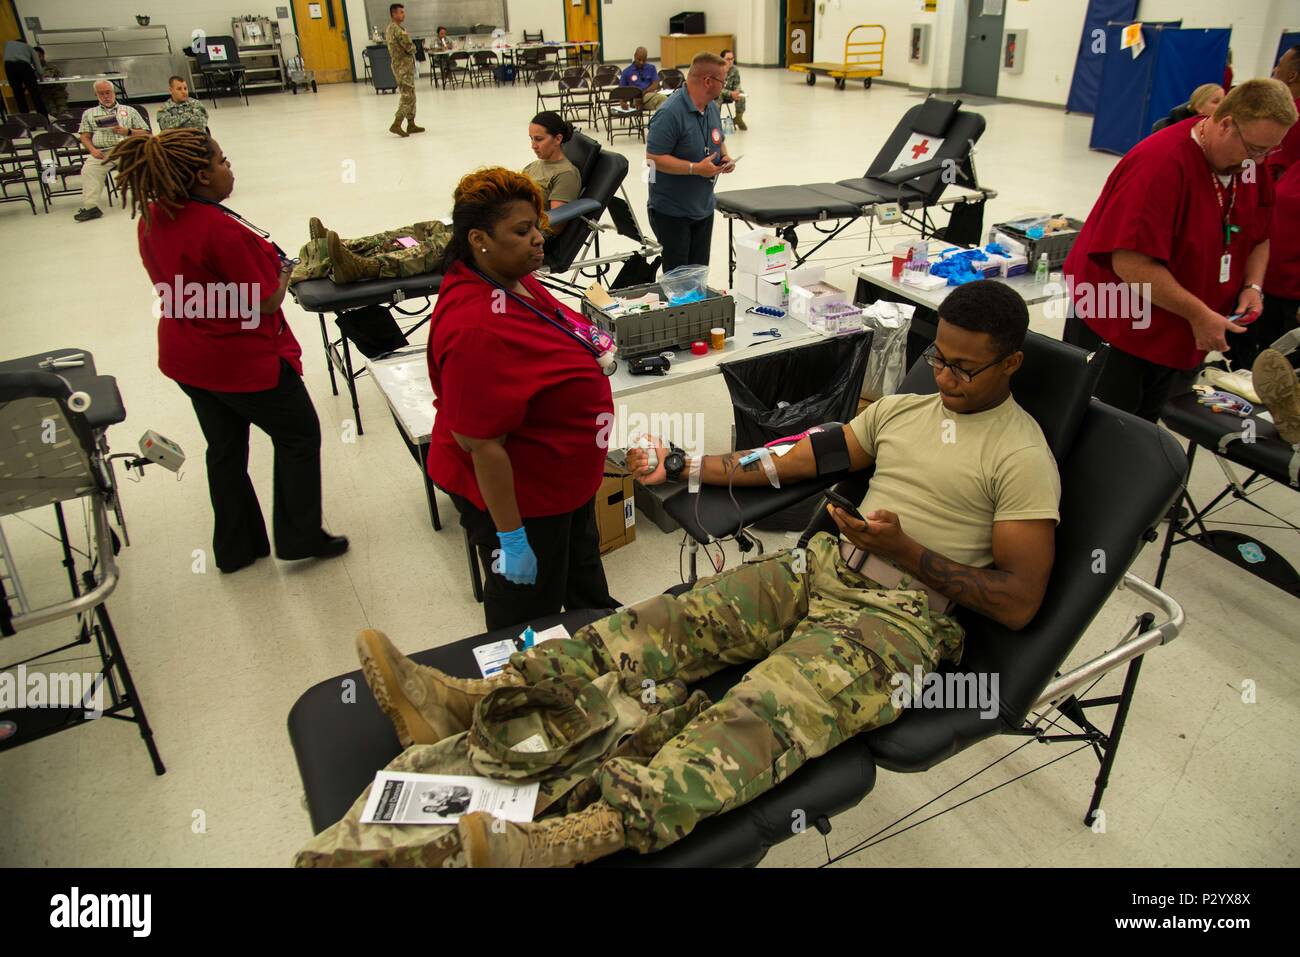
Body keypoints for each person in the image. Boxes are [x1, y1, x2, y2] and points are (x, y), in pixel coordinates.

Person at [295, 280, 1060, 868]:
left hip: (898, 621)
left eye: (965, 368)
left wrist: (911, 556)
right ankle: (476, 699)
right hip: (820, 565)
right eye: (941, 359)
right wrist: (693, 465)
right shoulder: (903, 411)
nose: (946, 377)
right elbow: (794, 458)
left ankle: (583, 835)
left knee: (758, 714)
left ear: (1012, 363)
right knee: (656, 621)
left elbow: (1020, 602)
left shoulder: (1020, 456)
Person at [113, 129, 348, 573]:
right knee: (298, 435)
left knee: (224, 448)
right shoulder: (219, 230)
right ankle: (300, 537)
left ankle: (237, 547)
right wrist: (285, 273)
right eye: (223, 161)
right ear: (201, 174)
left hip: (188, 356)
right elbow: (263, 301)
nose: (229, 168)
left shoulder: (154, 216)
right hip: (239, 361)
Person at [424, 167, 619, 631]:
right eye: (522, 230)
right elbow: (481, 444)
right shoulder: (477, 329)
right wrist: (511, 538)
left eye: (537, 226)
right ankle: (527, 694)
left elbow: (557, 322)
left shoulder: (512, 278)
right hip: (524, 500)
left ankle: (601, 636)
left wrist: (595, 344)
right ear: (479, 238)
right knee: (529, 621)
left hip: (563, 482)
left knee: (584, 584)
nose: (538, 239)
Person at [1063, 79, 1297, 421]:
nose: (1259, 160)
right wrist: (1199, 314)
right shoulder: (1160, 164)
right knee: (1100, 432)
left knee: (1146, 432)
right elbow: (1131, 264)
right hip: (1120, 324)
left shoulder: (1248, 166)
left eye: (1269, 151)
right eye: (1255, 148)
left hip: (1183, 329)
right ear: (1226, 122)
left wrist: (1253, 286)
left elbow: (1260, 234)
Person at [645, 51, 735, 271]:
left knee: (698, 273)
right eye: (723, 81)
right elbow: (652, 159)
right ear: (708, 81)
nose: (724, 86)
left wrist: (725, 156)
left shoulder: (712, 107)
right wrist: (695, 169)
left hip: (703, 207)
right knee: (678, 280)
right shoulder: (669, 113)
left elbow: (718, 137)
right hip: (673, 212)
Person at [74, 80, 150, 222]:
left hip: (127, 149)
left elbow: (146, 133)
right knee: (88, 170)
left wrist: (128, 131)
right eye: (101, 94)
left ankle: (145, 199)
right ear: (96, 95)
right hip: (102, 152)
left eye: (108, 92)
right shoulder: (89, 113)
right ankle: (91, 208)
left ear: (114, 92)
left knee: (141, 163)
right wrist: (92, 150)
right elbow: (84, 136)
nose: (105, 96)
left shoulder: (129, 111)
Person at [524, 111, 582, 209]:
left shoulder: (566, 174)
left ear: (558, 139)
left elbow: (557, 221)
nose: (533, 146)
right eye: (531, 139)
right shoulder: (532, 167)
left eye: (539, 139)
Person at [386, 3, 423, 137]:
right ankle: (397, 123)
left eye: (403, 12)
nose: (403, 14)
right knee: (407, 95)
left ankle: (411, 124)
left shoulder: (392, 28)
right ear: (394, 14)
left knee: (410, 93)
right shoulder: (397, 30)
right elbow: (409, 47)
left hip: (401, 65)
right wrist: (414, 48)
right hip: (402, 66)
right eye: (401, 12)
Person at [1151, 83, 1222, 134]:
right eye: (1216, 102)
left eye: (1224, 102)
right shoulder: (1167, 129)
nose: (1222, 106)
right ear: (1199, 107)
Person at [3, 38, 44, 114]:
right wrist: (41, 77)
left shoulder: (8, 44)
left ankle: (25, 119)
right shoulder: (28, 47)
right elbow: (38, 67)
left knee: (18, 94)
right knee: (35, 94)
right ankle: (43, 117)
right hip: (23, 66)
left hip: (8, 67)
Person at [619, 47, 666, 111]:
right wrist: (622, 103)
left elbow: (656, 84)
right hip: (635, 99)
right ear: (635, 56)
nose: (641, 62)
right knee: (662, 99)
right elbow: (621, 91)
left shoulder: (651, 68)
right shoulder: (626, 72)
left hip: (649, 94)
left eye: (644, 60)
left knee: (667, 100)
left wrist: (644, 92)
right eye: (639, 59)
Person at [718, 49, 747, 130]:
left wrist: (737, 91)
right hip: (718, 94)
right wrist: (731, 94)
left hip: (730, 94)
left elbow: (737, 84)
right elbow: (717, 89)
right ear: (721, 59)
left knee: (741, 93)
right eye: (728, 59)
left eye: (732, 59)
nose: (730, 61)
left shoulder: (735, 70)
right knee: (718, 95)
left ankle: (738, 118)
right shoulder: (716, 70)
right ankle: (715, 122)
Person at [35, 47, 67, 115]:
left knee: (63, 112)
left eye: (39, 56)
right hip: (44, 96)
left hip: (57, 94)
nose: (37, 59)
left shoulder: (52, 67)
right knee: (51, 114)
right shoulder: (32, 70)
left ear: (43, 56)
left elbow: (63, 82)